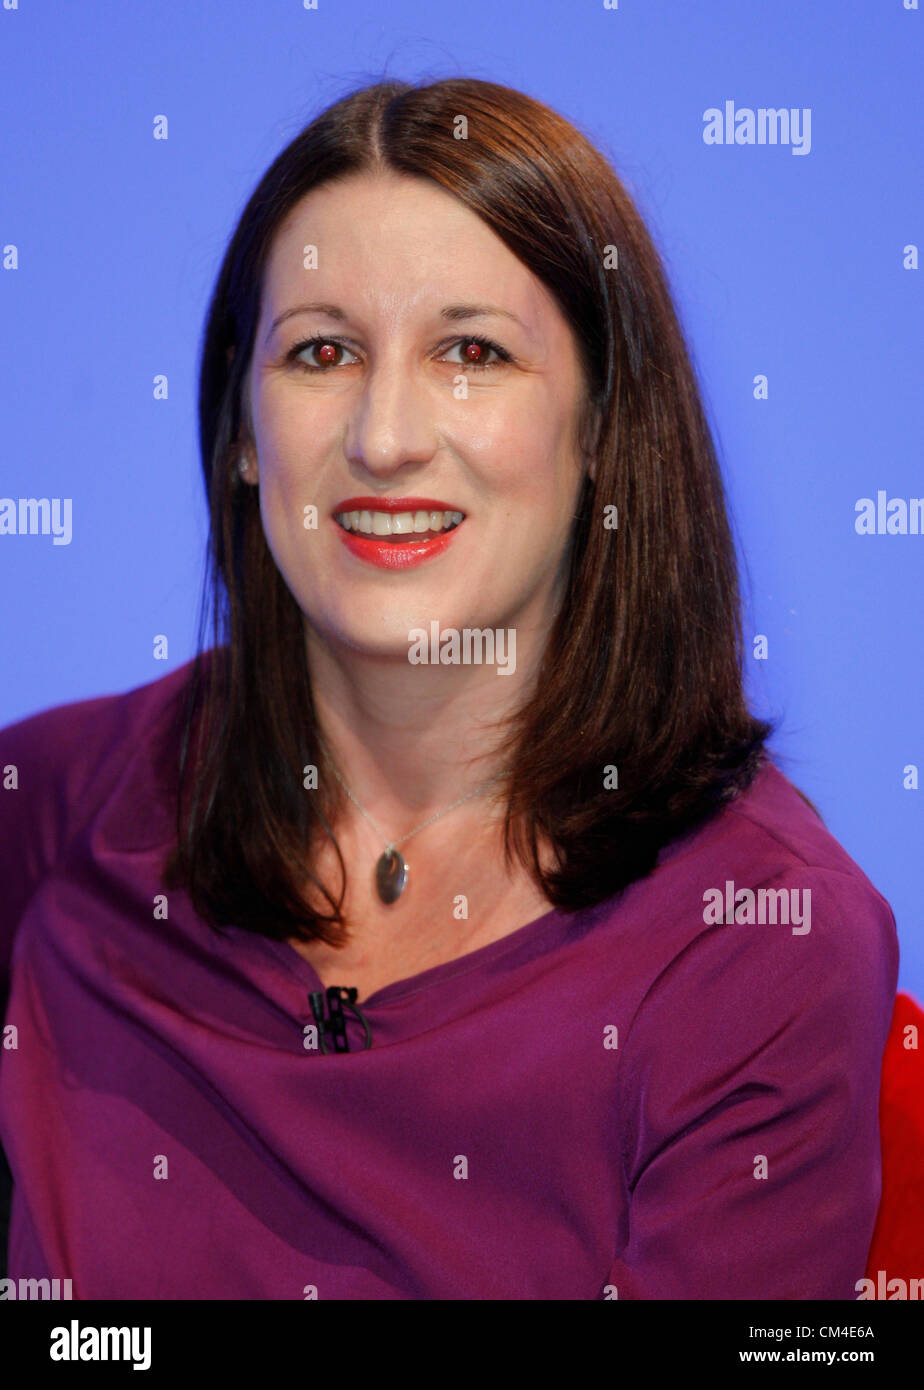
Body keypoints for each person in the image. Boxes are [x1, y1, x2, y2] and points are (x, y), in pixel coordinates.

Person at [0, 76, 898, 1301]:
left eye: (471, 353)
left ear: (598, 433)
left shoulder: (760, 951)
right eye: (323, 352)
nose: (385, 436)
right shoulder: (56, 806)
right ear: (244, 431)